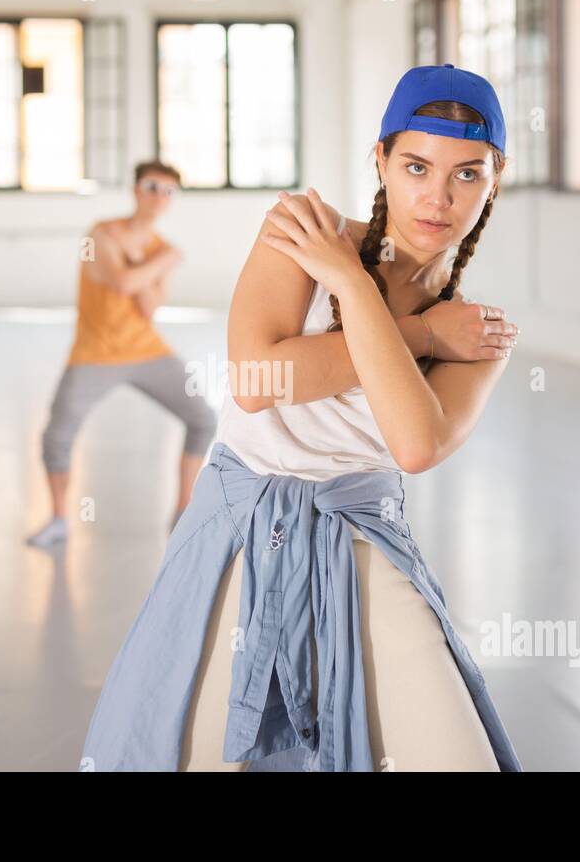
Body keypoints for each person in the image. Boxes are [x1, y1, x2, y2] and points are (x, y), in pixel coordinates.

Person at [80, 65, 523, 771]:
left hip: (363, 538)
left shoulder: (477, 331)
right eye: (416, 166)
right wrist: (417, 334)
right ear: (381, 161)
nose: (437, 198)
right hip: (239, 529)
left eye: (466, 174)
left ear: (495, 180)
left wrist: (354, 284)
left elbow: (416, 445)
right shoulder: (304, 229)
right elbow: (256, 379)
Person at [26, 161, 217, 548]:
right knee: (57, 435)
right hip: (94, 353)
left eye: (168, 191)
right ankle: (59, 518)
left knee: (203, 418)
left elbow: (148, 306)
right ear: (135, 190)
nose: (159, 197)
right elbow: (122, 282)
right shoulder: (101, 233)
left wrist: (140, 259)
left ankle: (183, 509)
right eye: (151, 187)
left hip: (146, 349)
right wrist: (159, 263)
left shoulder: (159, 247)